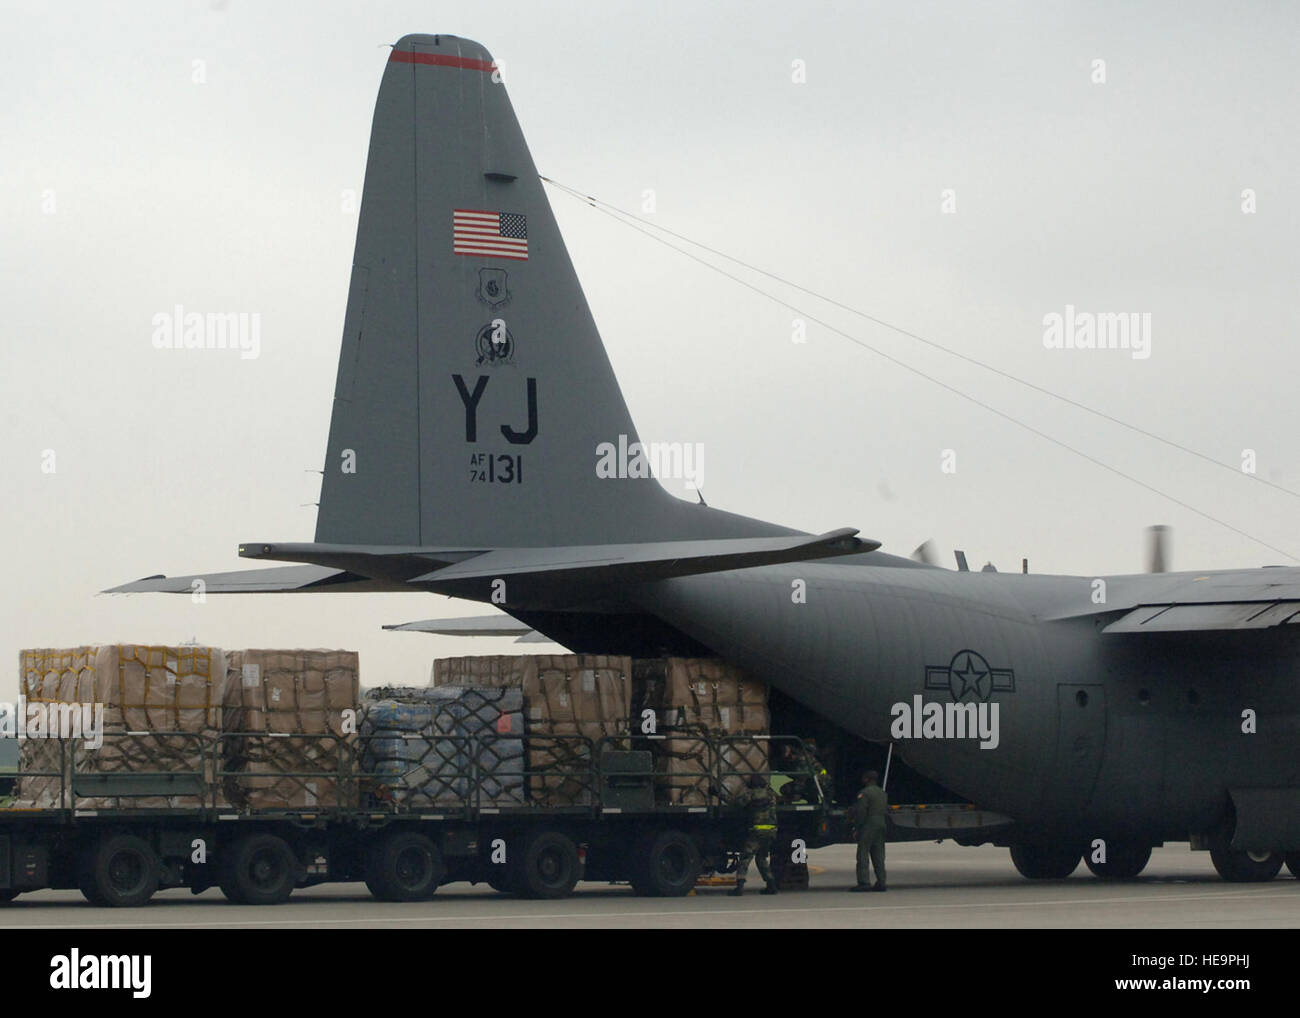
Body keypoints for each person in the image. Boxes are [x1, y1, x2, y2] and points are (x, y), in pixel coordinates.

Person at [730, 773, 779, 896]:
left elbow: (736, 804)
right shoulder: (771, 795)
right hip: (771, 832)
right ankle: (771, 885)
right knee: (761, 858)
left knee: (745, 858)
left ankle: (739, 887)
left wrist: (717, 794)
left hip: (757, 832)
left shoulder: (750, 794)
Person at [848, 770, 888, 891]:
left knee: (863, 853)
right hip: (881, 822)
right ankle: (881, 881)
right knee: (879, 854)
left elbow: (861, 811)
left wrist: (856, 827)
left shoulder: (865, 793)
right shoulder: (882, 792)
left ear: (866, 779)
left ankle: (864, 882)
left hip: (869, 824)